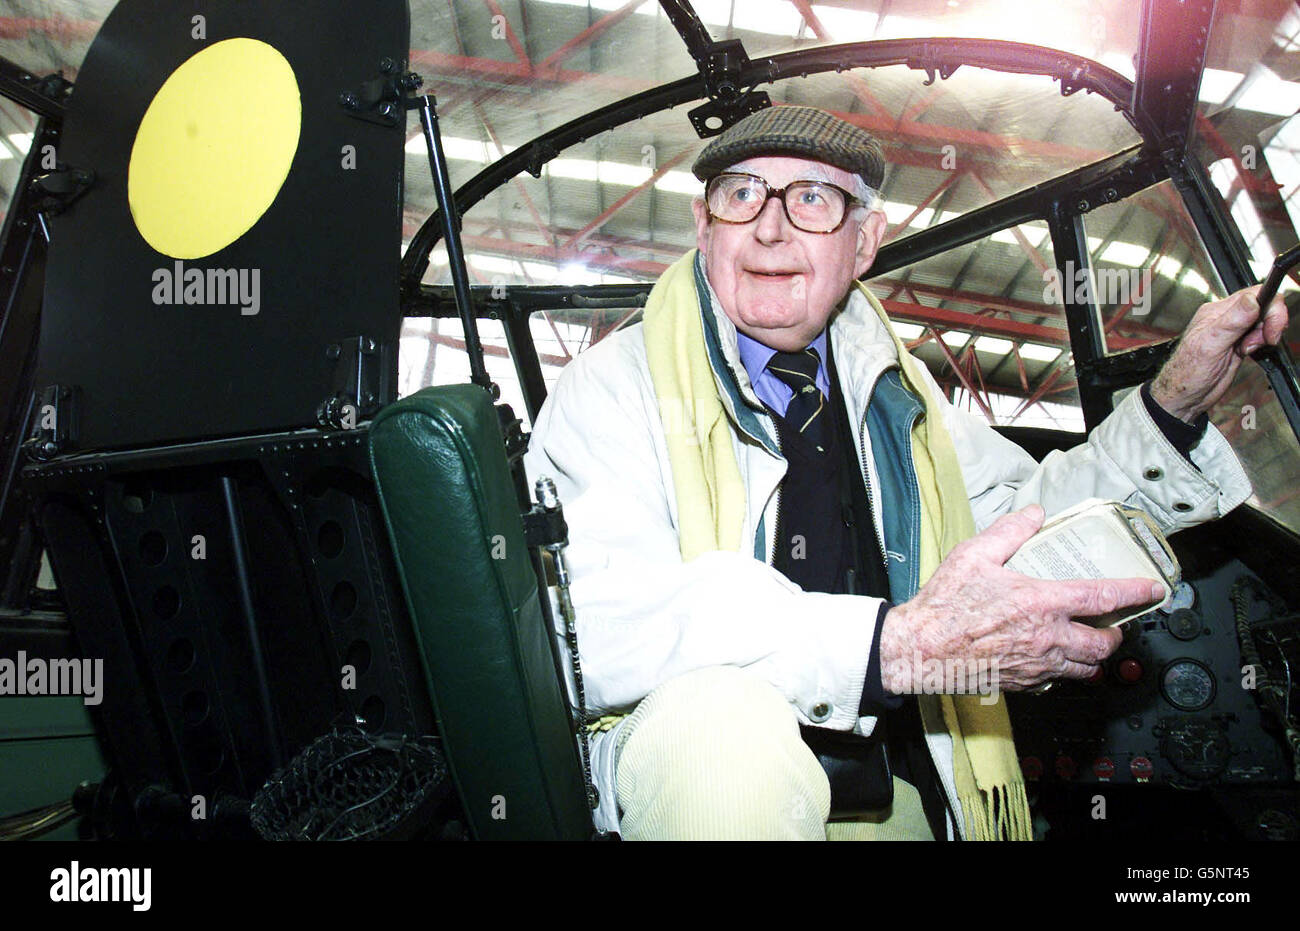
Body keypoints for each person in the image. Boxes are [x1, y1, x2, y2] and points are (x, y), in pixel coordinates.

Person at [523, 105, 1287, 840]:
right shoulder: (614, 387)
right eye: (741, 194)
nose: (770, 226)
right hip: (696, 774)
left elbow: (1022, 528)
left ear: (865, 242)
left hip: (882, 779)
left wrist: (1172, 403)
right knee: (718, 727)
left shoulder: (899, 390)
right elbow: (592, 622)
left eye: (812, 198)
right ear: (703, 225)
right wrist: (893, 646)